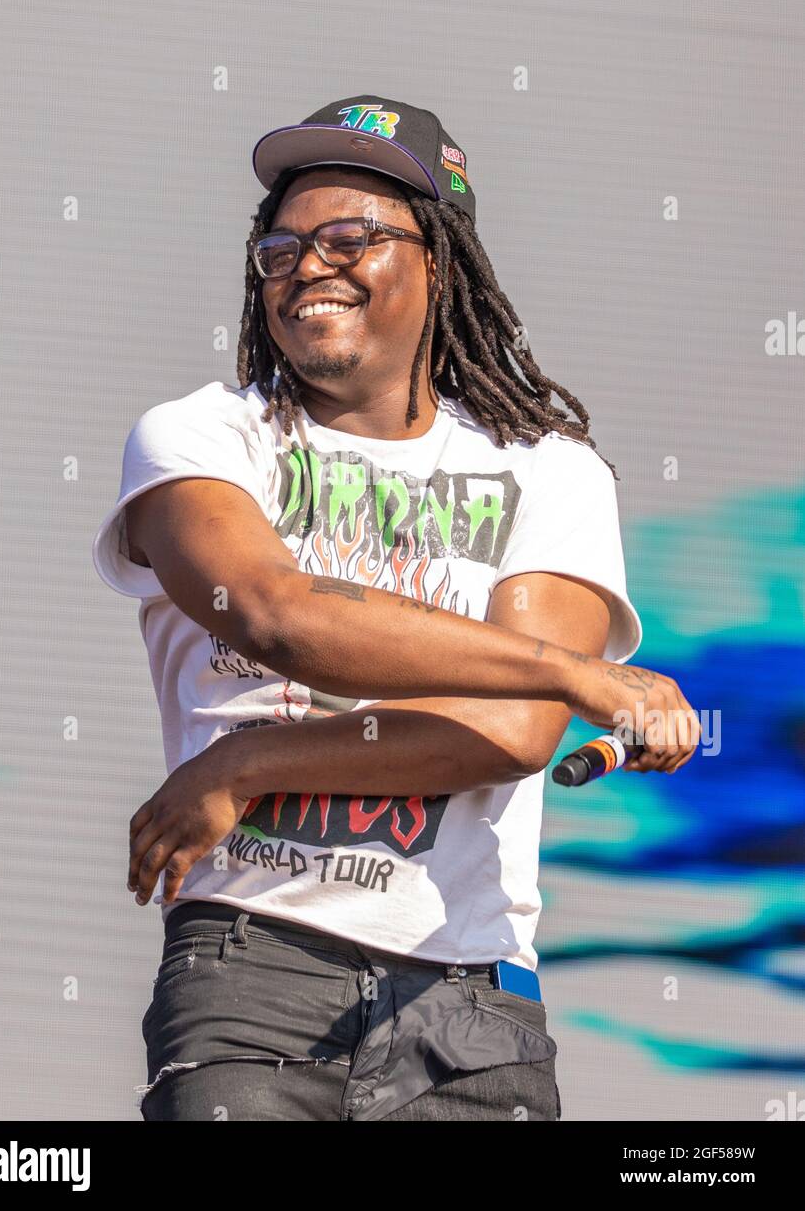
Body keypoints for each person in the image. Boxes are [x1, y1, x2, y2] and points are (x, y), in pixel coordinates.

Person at [92, 94, 699, 1122]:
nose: (306, 266)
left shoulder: (547, 472)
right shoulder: (199, 440)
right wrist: (575, 671)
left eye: (349, 237)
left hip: (469, 994)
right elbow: (278, 614)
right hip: (251, 968)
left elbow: (509, 730)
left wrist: (247, 764)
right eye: (279, 248)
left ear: (439, 262)